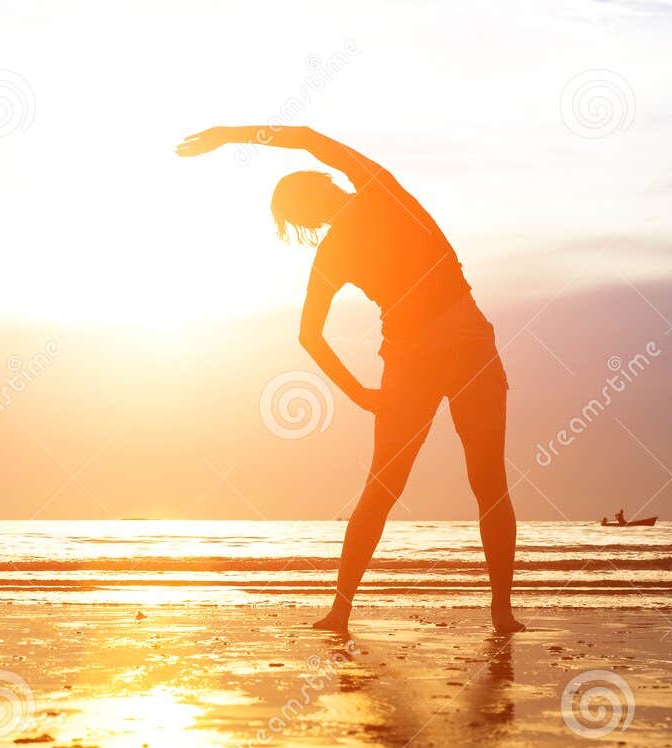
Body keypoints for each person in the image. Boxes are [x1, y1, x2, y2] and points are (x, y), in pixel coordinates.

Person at [177, 125, 521, 633]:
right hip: (424, 358)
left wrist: (232, 134)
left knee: (475, 482)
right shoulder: (366, 205)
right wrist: (359, 392)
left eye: (301, 214)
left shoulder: (375, 194)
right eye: (300, 219)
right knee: (404, 486)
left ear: (319, 193)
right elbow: (308, 334)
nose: (310, 222)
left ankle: (494, 611)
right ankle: (346, 609)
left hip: (460, 352)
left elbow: (307, 138)